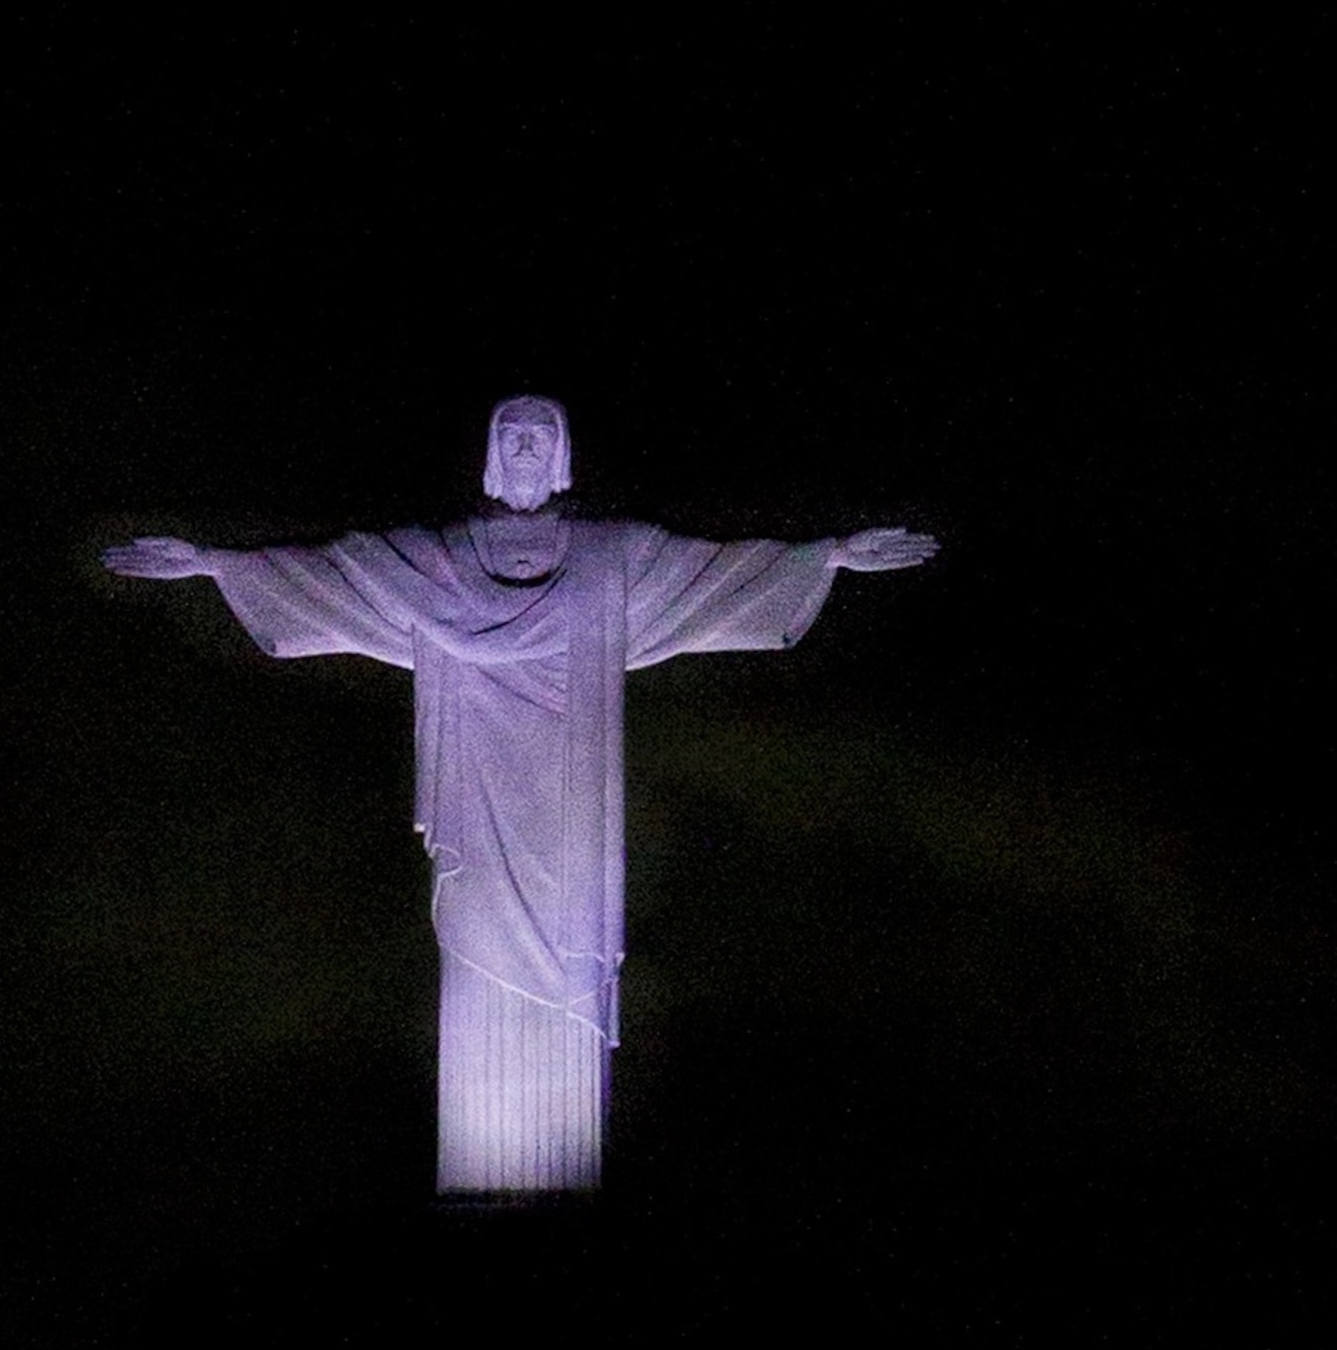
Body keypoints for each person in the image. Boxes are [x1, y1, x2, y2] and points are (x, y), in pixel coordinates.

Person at [106, 393, 936, 1193]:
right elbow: (342, 572)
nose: (528, 449)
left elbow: (714, 573)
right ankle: (486, 1171)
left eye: (543, 436)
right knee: (475, 963)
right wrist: (215, 562)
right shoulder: (439, 558)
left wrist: (823, 556)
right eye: (513, 436)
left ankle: (554, 1179)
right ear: (492, 458)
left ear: (564, 457)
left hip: (571, 806)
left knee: (564, 969)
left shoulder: (615, 556)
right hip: (479, 801)